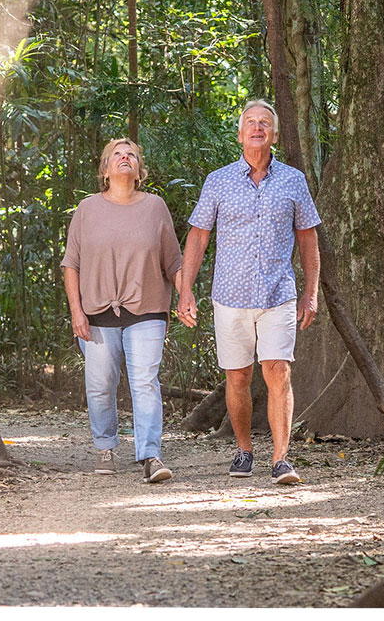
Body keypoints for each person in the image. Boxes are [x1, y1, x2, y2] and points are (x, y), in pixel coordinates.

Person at [176, 98, 321, 486]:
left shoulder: (293, 180)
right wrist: (185, 290)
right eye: (251, 123)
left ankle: (281, 459)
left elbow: (307, 238)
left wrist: (312, 292)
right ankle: (244, 450)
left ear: (274, 136)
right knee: (237, 377)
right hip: (229, 295)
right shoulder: (218, 181)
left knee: (278, 371)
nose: (258, 128)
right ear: (240, 134)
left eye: (265, 123)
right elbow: (198, 236)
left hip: (278, 292)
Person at [61, 138, 183, 483]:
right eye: (117, 154)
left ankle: (150, 455)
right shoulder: (87, 210)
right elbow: (72, 264)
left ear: (139, 170)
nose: (124, 157)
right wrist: (76, 311)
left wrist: (185, 293)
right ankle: (105, 446)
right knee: (100, 384)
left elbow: (173, 260)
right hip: (96, 313)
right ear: (105, 170)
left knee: (145, 382)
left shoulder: (155, 207)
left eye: (131, 154)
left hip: (147, 310)